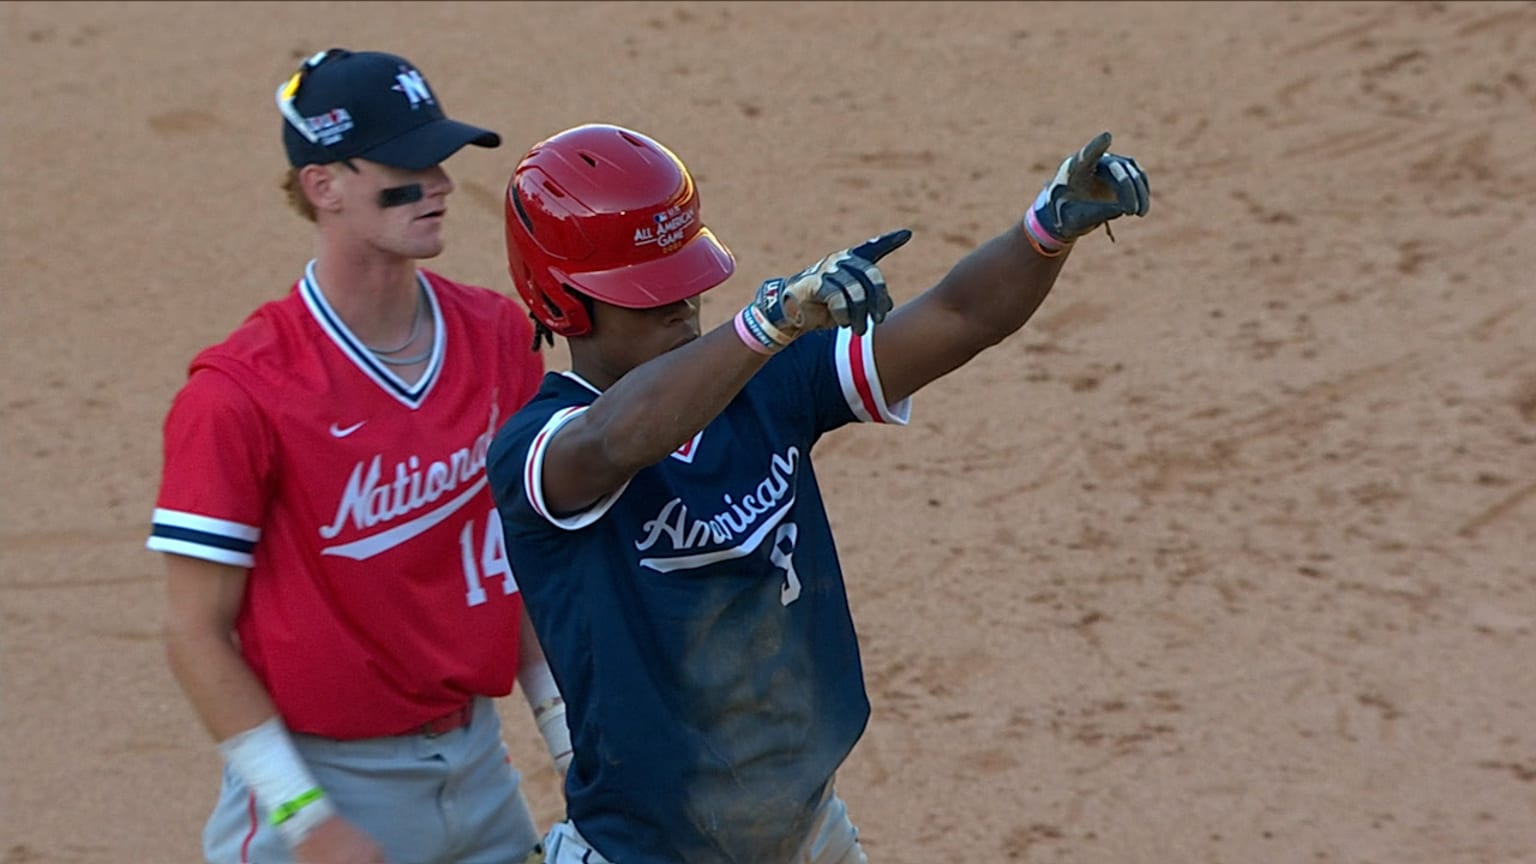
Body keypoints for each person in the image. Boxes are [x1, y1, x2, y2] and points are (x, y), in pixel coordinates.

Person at [487, 122, 1150, 864]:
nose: (683, 308)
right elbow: (617, 440)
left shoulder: (763, 379)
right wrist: (765, 326)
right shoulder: (538, 450)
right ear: (564, 303)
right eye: (649, 294)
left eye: (688, 283)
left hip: (807, 831)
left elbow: (957, 316)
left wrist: (1042, 235)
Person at [148, 48, 571, 864]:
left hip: (480, 772)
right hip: (326, 787)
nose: (438, 184)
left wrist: (572, 744)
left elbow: (522, 559)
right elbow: (192, 631)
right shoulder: (239, 394)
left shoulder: (498, 338)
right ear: (323, 184)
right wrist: (308, 819)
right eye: (407, 166)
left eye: (439, 160)